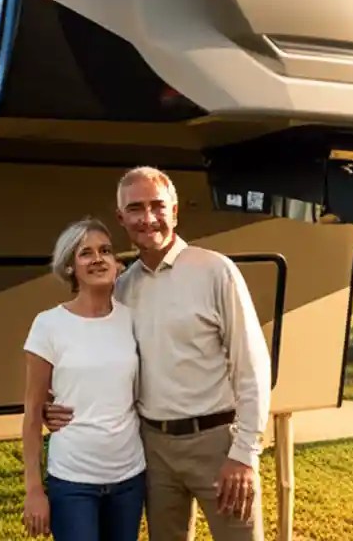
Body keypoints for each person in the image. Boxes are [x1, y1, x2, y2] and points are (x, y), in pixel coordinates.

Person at [46, 167, 271, 541]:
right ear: (121, 218)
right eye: (135, 208)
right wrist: (53, 403)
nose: (147, 218)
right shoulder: (122, 288)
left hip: (218, 443)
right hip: (152, 450)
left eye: (157, 206)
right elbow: (97, 359)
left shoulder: (215, 271)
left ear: (175, 211)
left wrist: (245, 453)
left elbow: (252, 365)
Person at [21, 217, 146, 540]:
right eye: (86, 253)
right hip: (72, 481)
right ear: (70, 267)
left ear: (116, 263)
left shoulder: (132, 319)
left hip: (129, 479)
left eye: (105, 250)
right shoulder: (48, 325)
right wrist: (34, 489)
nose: (98, 259)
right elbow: (32, 413)